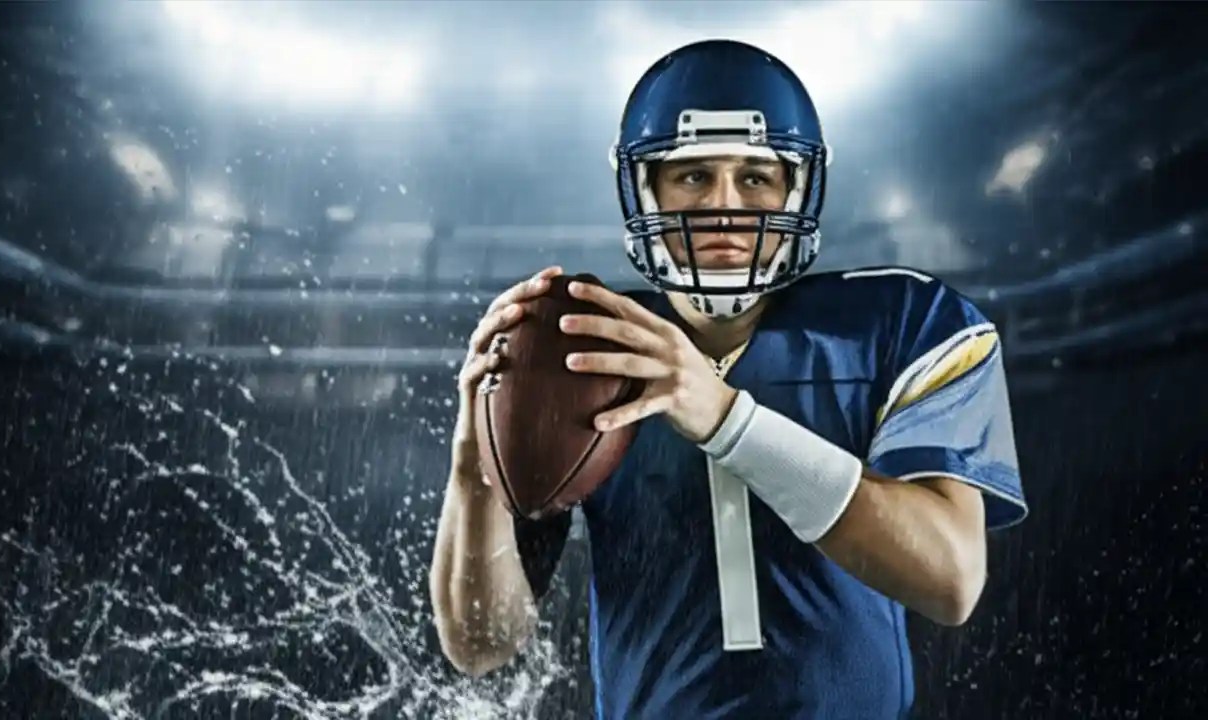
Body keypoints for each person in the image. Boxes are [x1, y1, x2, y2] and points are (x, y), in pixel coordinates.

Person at [430, 39, 1027, 718]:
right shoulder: (582, 348)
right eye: (691, 176)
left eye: (755, 176)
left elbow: (949, 579)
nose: (724, 207)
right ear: (644, 187)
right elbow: (480, 644)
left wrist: (725, 418)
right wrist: (476, 468)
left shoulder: (903, 322)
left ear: (796, 187)